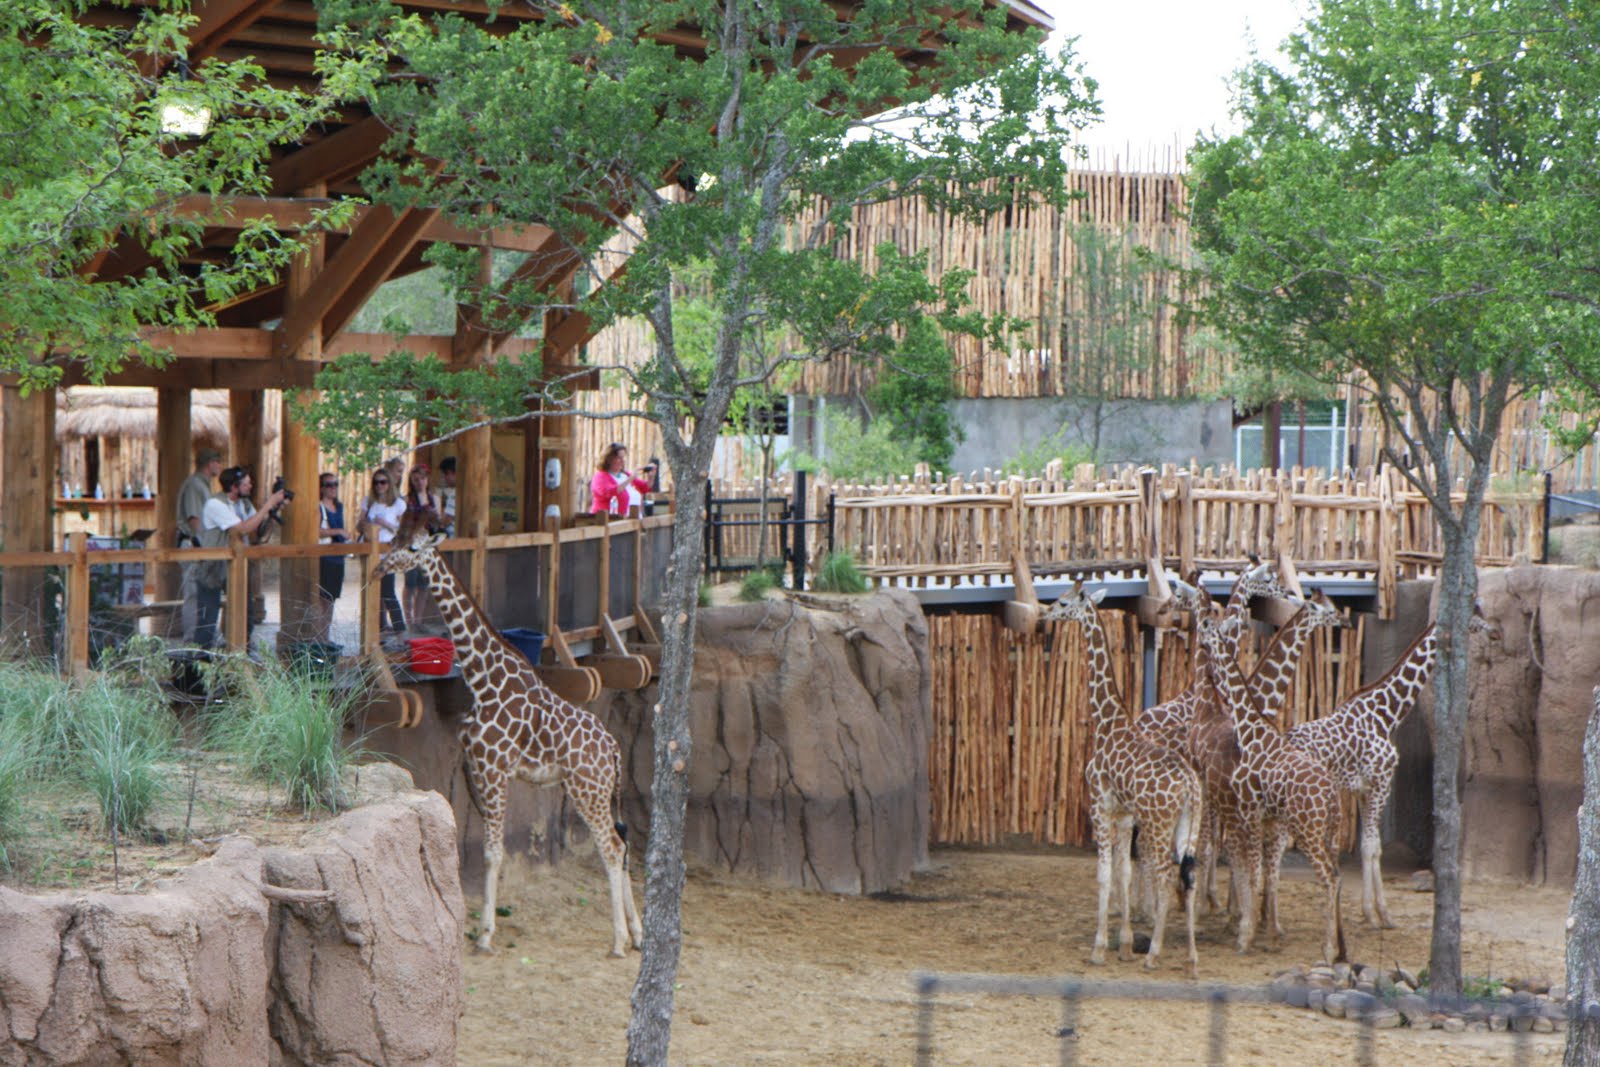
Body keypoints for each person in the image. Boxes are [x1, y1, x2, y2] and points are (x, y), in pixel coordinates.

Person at [194, 466, 284, 649]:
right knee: (208, 616)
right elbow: (242, 528)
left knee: (245, 612)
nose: (250, 486)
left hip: (236, 566)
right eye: (246, 483)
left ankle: (242, 652)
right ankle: (199, 662)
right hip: (213, 565)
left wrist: (274, 510)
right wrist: (268, 504)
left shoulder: (244, 504)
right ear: (234, 487)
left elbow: (256, 530)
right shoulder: (215, 504)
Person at [177, 447, 223, 640]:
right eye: (218, 462)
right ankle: (192, 643)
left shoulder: (203, 485)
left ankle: (204, 639)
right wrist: (205, 548)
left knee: (203, 595)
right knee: (194, 595)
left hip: (201, 545)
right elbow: (195, 520)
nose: (220, 466)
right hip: (195, 544)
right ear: (210, 463)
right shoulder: (195, 485)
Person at [358, 468, 407, 632]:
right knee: (371, 591)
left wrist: (385, 524)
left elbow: (403, 531)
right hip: (371, 550)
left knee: (388, 591)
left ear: (389, 484)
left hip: (387, 553)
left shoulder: (398, 504)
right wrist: (366, 525)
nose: (379, 486)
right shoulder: (369, 502)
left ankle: (400, 629)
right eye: (376, 482)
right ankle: (376, 628)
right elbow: (360, 524)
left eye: (383, 482)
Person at [402, 462, 441, 627]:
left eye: (422, 478)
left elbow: (439, 522)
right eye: (416, 479)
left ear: (427, 479)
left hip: (428, 544)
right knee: (410, 584)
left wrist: (434, 517)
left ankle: (418, 621)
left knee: (423, 585)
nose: (420, 482)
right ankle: (408, 620)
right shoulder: (407, 500)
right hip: (412, 544)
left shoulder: (435, 499)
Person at [315, 473, 348, 643]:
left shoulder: (339, 506)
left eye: (335, 484)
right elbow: (315, 531)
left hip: (338, 557)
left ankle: (325, 637)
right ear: (321, 488)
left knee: (331, 600)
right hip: (325, 558)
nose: (333, 488)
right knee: (323, 600)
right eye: (329, 485)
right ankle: (320, 638)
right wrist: (338, 532)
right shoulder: (318, 508)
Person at [590, 443, 653, 517]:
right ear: (609, 459)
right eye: (619, 458)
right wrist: (630, 479)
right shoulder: (600, 476)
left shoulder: (625, 475)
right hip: (610, 521)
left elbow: (645, 488)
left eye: (623, 458)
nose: (622, 461)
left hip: (632, 520)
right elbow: (610, 492)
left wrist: (651, 477)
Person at [437, 456, 457, 536]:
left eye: (445, 474)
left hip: (452, 538)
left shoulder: (454, 495)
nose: (444, 478)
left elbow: (447, 521)